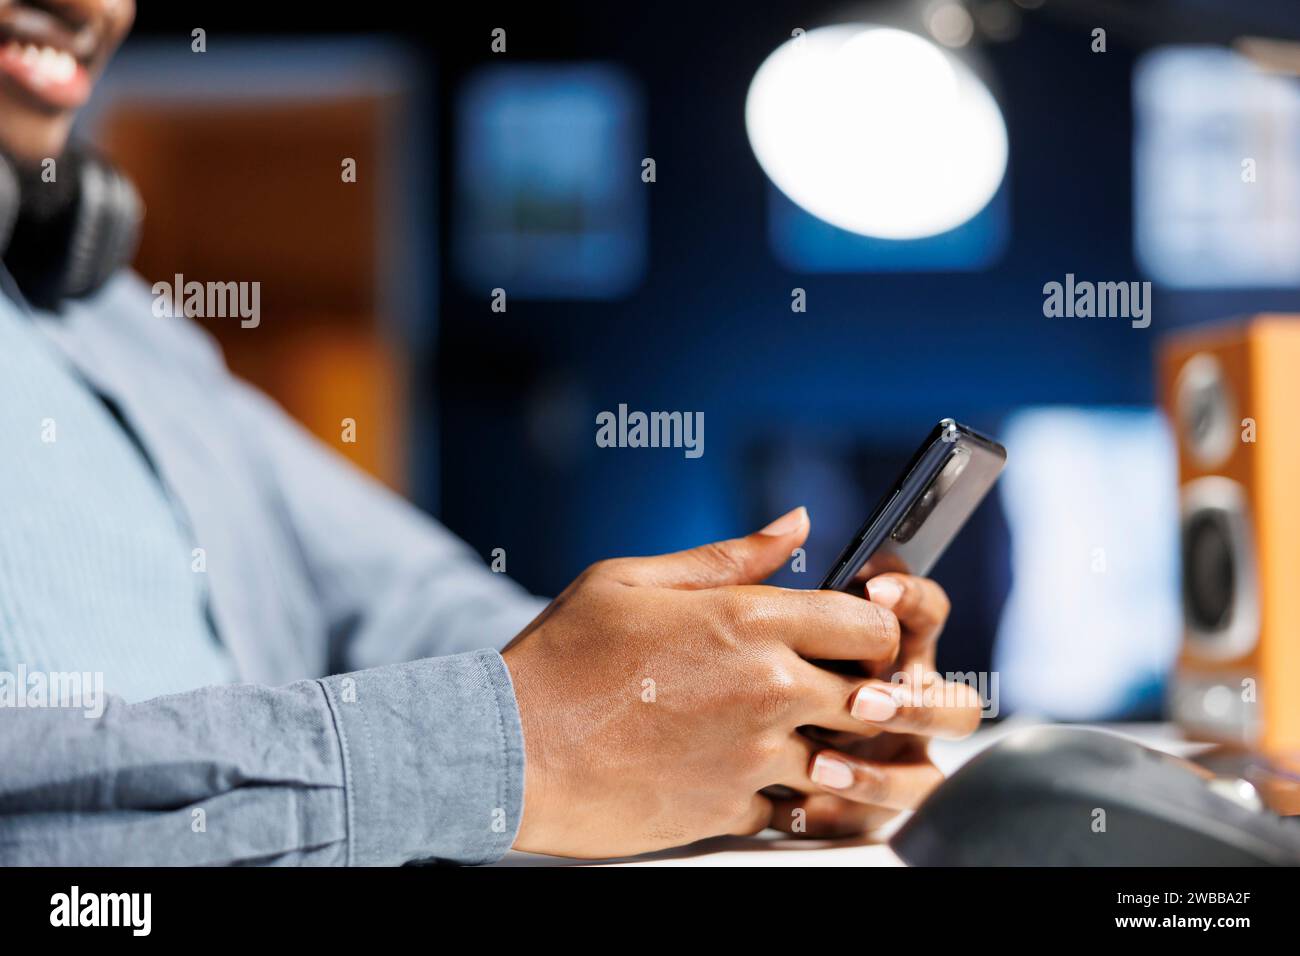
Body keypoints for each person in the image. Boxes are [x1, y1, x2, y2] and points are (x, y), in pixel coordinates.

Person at [0, 0, 980, 865]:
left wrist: (742, 701)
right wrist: (505, 749)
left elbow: (413, 606)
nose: (93, 3)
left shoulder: (124, 327)